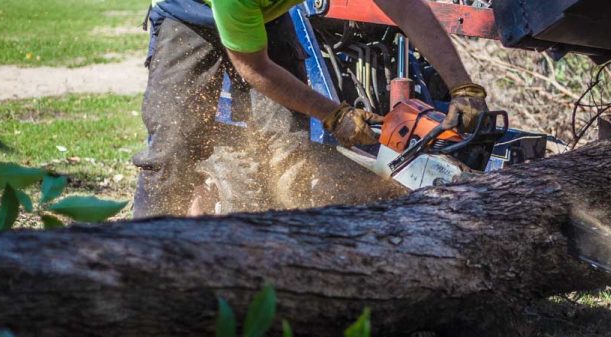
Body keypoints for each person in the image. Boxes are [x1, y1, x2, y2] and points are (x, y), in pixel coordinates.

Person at [134, 0, 488, 217]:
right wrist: (334, 114)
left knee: (288, 149)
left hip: (267, 13)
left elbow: (407, 8)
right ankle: (142, 262)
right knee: (172, 149)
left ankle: (279, 261)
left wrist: (462, 86)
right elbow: (255, 69)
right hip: (189, 14)